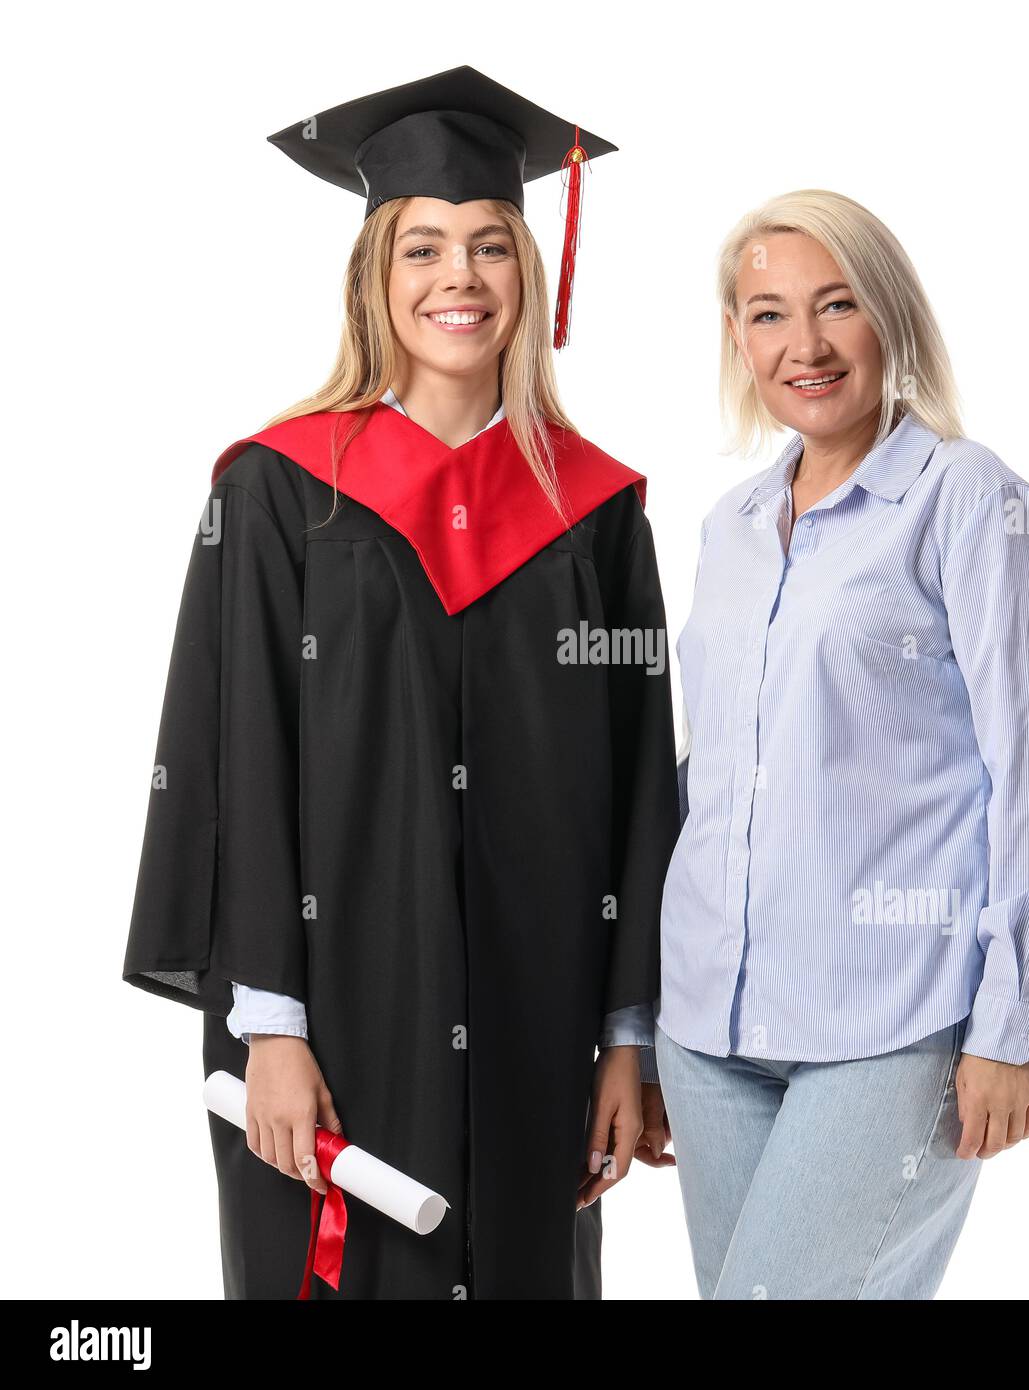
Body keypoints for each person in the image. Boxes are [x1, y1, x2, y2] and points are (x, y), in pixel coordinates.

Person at [123, 66, 679, 1300]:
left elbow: (645, 786)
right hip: (334, 1018)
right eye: (422, 247)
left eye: (491, 245)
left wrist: (627, 1038)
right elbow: (236, 760)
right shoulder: (279, 492)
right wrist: (271, 1027)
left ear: (529, 275)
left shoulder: (595, 514)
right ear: (375, 277)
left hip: (540, 1017)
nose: (457, 277)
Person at [636, 188, 1029, 1299]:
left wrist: (1010, 1028)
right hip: (708, 1031)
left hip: (892, 1025)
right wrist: (642, 1027)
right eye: (768, 314)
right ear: (737, 338)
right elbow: (714, 777)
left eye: (837, 305)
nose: (806, 344)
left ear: (890, 314)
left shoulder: (968, 501)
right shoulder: (732, 527)